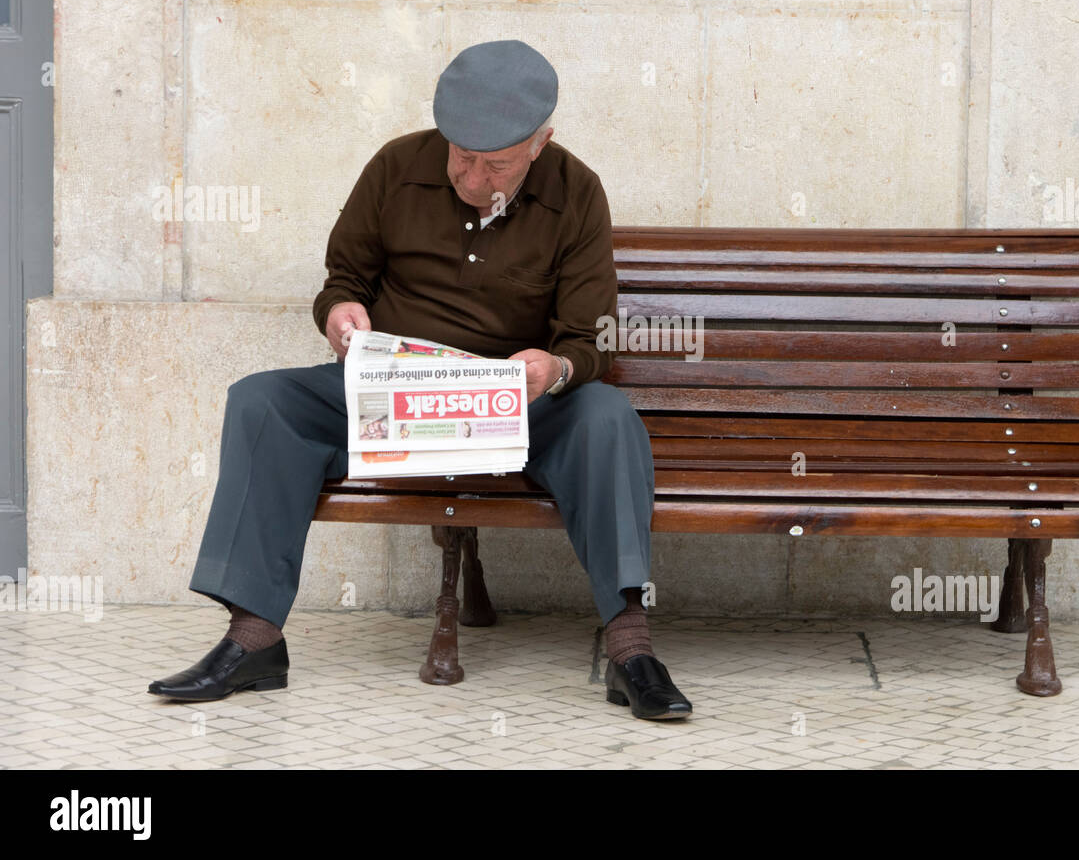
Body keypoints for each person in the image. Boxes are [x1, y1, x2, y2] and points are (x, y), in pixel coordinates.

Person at [147, 39, 692, 720]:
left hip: (511, 407)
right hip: (391, 395)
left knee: (606, 417)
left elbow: (589, 339)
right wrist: (339, 314)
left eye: (493, 163)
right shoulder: (396, 166)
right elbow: (344, 277)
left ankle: (630, 646)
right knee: (262, 402)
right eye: (458, 153)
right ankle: (254, 637)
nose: (469, 174)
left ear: (541, 142)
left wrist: (554, 368)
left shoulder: (577, 192)